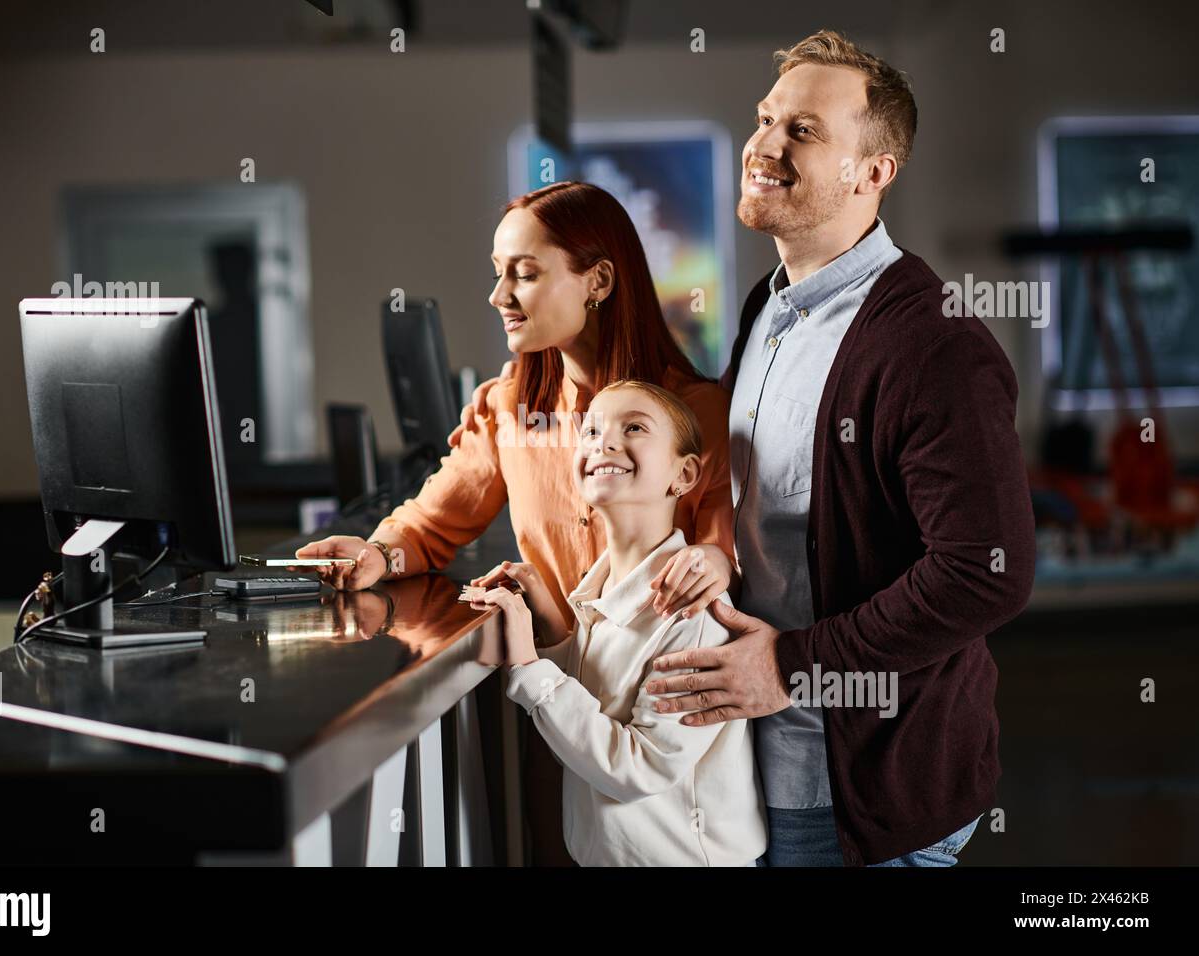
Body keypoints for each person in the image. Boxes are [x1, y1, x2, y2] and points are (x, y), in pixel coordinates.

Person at [641, 29, 1036, 867]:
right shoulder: (769, 307)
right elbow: (772, 514)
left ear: (874, 172)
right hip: (762, 774)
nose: (765, 145)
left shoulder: (937, 344)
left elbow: (985, 572)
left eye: (804, 131)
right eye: (766, 118)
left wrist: (791, 664)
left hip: (866, 795)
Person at [296, 181, 739, 865]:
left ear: (598, 282)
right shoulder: (510, 405)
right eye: (498, 274)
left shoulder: (695, 412)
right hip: (555, 696)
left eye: (524, 274)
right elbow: (433, 522)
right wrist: (379, 552)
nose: (499, 296)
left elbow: (719, 549)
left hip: (665, 723)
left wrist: (718, 561)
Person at [467, 380, 766, 866]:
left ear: (684, 474)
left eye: (633, 428)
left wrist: (526, 662)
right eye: (590, 431)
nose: (602, 442)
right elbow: (605, 686)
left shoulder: (694, 615)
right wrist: (545, 617)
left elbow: (638, 768)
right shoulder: (600, 589)